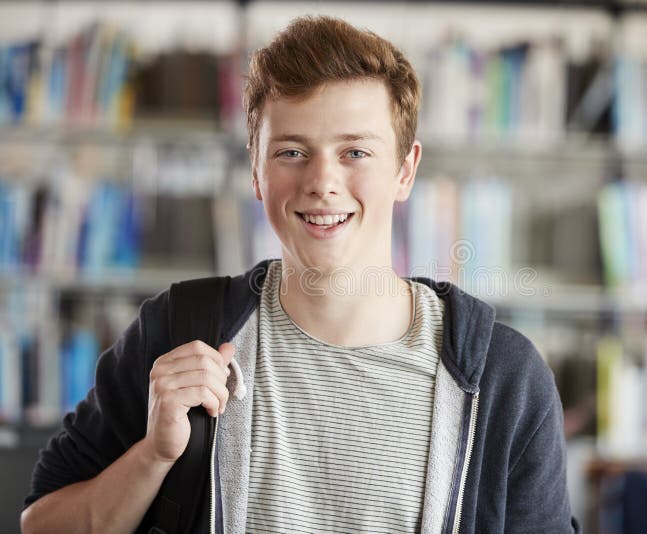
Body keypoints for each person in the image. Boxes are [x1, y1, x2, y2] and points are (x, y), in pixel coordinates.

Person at [20, 15, 579, 533]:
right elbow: (40, 523)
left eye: (355, 152)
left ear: (405, 170)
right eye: (291, 152)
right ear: (256, 170)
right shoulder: (177, 330)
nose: (322, 181)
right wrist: (154, 455)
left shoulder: (506, 381)